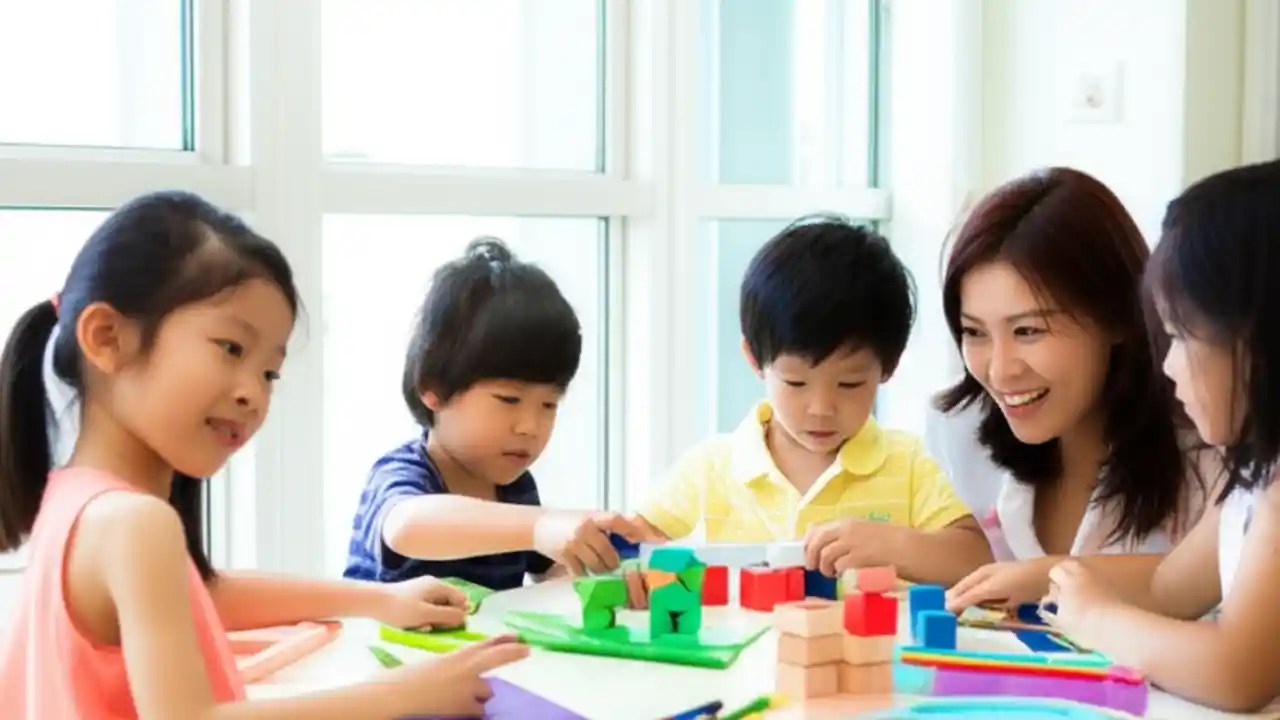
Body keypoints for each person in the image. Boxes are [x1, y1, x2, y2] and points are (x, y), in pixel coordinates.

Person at [0, 192, 527, 719]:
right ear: (107, 337)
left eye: (269, 372)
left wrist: (379, 599)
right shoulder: (135, 523)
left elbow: (202, 594)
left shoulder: (75, 498)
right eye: (231, 348)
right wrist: (403, 694)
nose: (254, 394)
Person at [635, 216, 991, 585]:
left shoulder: (912, 464)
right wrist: (611, 545)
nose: (821, 408)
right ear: (754, 359)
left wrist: (892, 545)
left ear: (888, 366)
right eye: (796, 382)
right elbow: (635, 544)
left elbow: (978, 562)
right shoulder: (711, 469)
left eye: (849, 384)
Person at [1043, 160, 1280, 712]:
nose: (1169, 367)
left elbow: (1235, 671)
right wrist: (1044, 577)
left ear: (1261, 342)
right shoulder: (1257, 474)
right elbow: (1167, 587)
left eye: (1181, 337)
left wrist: (1094, 617)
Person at [940, 168, 1208, 612]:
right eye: (975, 332)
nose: (1000, 371)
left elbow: (1211, 584)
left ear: (1117, 317)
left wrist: (1048, 577)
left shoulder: (1209, 450)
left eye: (1028, 331)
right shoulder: (958, 434)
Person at [344, 238, 647, 588]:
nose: (530, 427)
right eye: (509, 400)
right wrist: (540, 525)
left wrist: (608, 572)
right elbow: (407, 527)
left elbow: (551, 571)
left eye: (549, 404)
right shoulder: (404, 472)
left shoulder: (516, 487)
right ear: (434, 390)